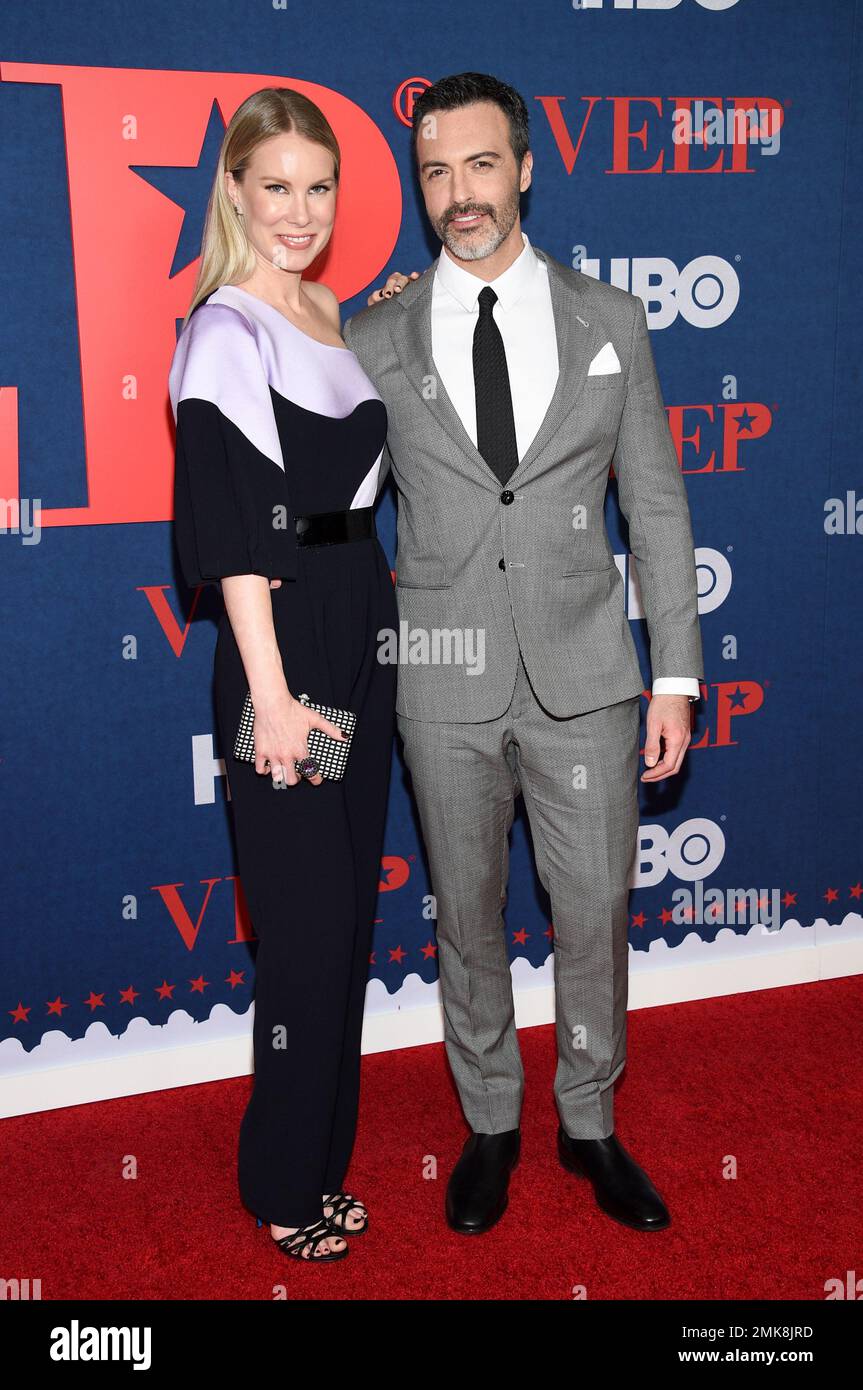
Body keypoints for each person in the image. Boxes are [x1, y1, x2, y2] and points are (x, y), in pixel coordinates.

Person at [344, 72, 703, 1235]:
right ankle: (489, 1119)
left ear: (526, 167)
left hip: (589, 678)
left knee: (594, 908)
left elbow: (652, 505)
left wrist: (676, 676)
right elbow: (330, 499)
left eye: (481, 164)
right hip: (439, 675)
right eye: (436, 170)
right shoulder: (372, 332)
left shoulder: (611, 319)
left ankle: (588, 1122)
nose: (459, 193)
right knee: (467, 914)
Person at [168, 87, 398, 1262]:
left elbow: (346, 453)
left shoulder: (322, 310)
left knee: (346, 922)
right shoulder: (223, 329)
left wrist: (387, 308)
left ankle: (318, 1163)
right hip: (288, 642)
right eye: (276, 187)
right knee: (304, 938)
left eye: (319, 186)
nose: (300, 210)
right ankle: (278, 1187)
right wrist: (268, 692)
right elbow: (233, 532)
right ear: (237, 190)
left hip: (363, 628)